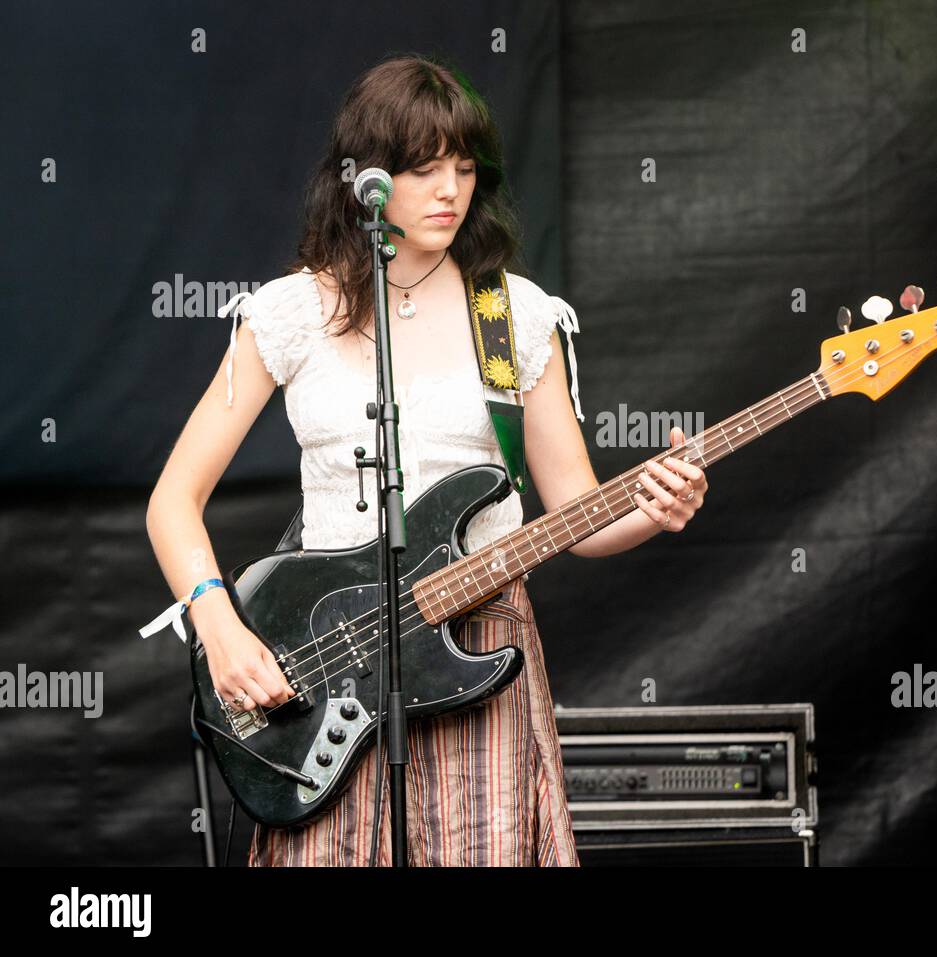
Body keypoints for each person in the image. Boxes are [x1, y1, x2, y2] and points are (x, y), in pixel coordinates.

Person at [144, 53, 708, 866]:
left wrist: (654, 509)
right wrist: (219, 625)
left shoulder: (513, 312)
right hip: (327, 656)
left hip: (477, 644)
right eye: (423, 169)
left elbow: (579, 515)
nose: (450, 190)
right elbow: (173, 499)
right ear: (364, 178)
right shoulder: (292, 311)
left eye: (465, 168)